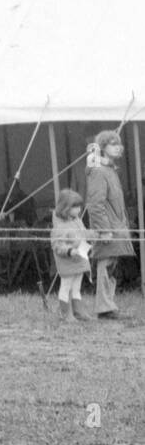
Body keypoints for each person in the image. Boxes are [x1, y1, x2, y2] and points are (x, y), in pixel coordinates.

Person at [85, 130, 133, 319]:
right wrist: (104, 230)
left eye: (118, 144)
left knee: (112, 266)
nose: (118, 147)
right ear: (103, 148)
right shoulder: (98, 171)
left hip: (117, 226)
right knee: (106, 265)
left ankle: (108, 305)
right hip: (109, 228)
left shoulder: (110, 170)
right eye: (113, 144)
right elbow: (96, 204)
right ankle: (104, 307)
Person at [50, 188, 93, 321]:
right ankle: (66, 313)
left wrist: (96, 234)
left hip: (80, 260)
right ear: (65, 208)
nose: (79, 209)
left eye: (79, 206)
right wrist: (69, 251)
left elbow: (84, 233)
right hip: (68, 262)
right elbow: (58, 246)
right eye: (75, 207)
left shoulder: (77, 221)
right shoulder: (59, 226)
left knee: (76, 286)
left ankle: (78, 311)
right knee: (66, 285)